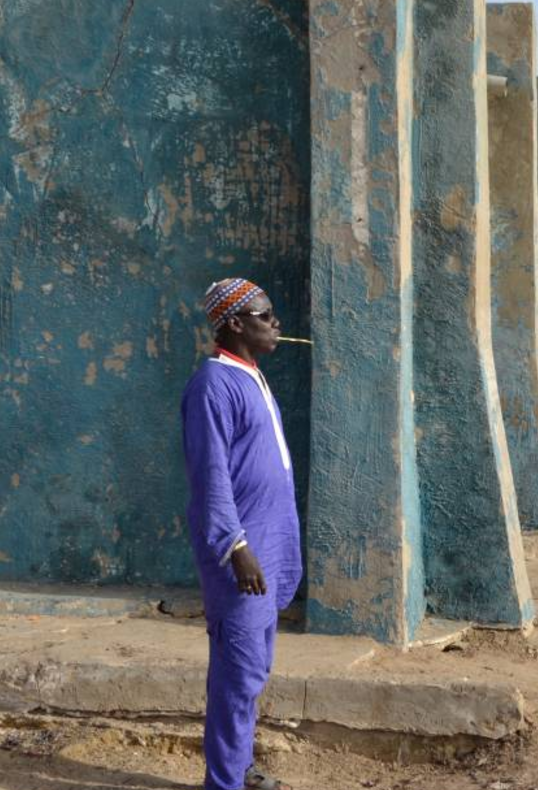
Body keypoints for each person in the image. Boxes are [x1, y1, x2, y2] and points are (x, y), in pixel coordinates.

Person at [180, 278, 301, 790]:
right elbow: (210, 476)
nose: (275, 324)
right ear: (234, 323)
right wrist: (237, 547)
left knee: (254, 667)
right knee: (237, 671)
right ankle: (224, 782)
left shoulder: (251, 377)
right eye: (264, 315)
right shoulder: (213, 384)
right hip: (243, 554)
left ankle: (237, 766)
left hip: (269, 546)